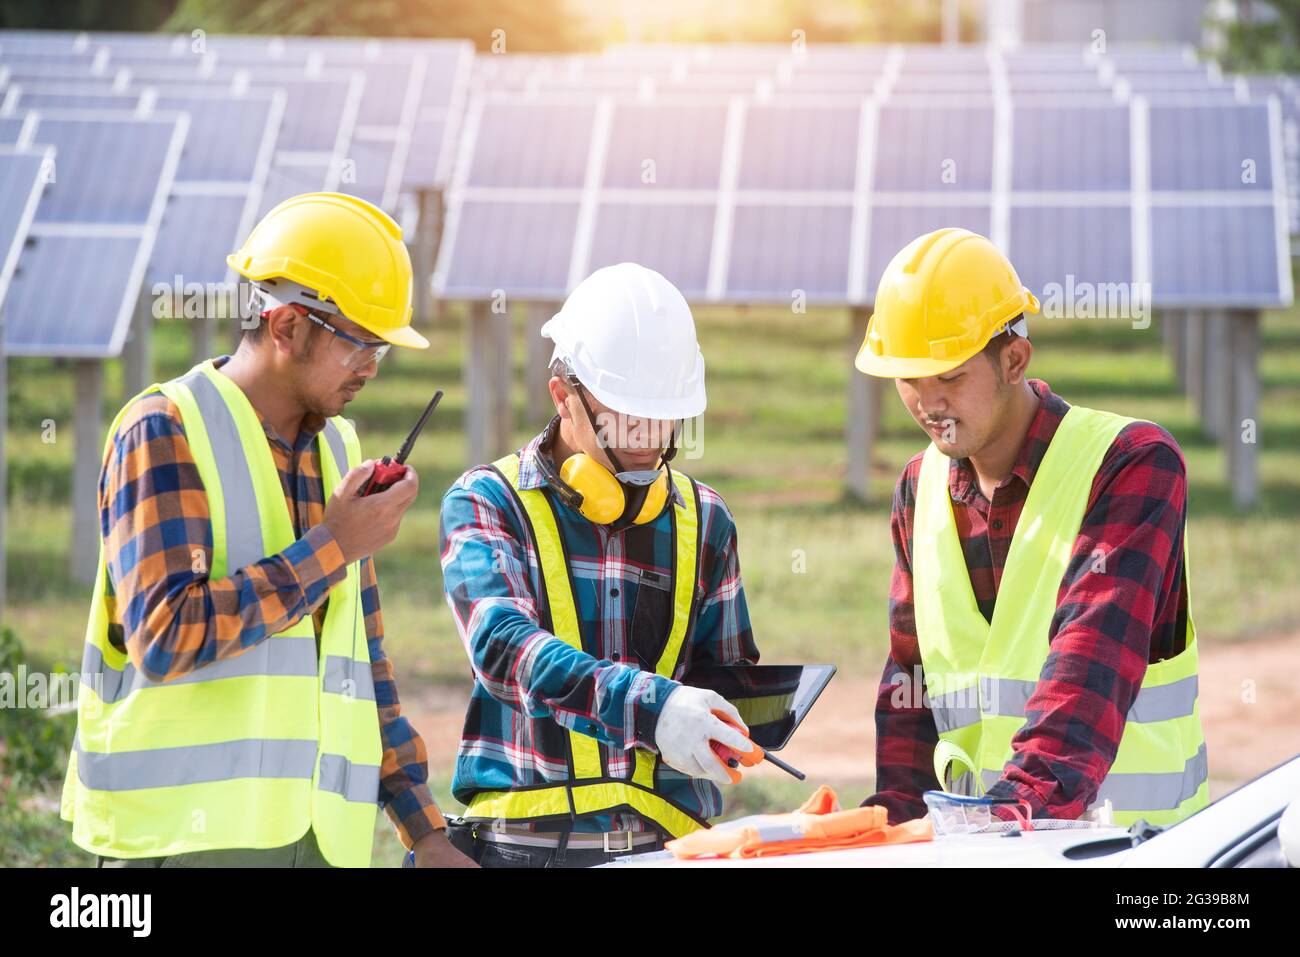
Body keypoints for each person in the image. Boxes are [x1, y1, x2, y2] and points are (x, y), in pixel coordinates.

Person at [62, 192, 473, 867]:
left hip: (314, 844)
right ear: (286, 326)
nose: (371, 366)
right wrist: (332, 546)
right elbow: (166, 634)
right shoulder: (166, 428)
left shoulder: (339, 448)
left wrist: (423, 829)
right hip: (183, 842)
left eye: (382, 347)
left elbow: (361, 659)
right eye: (359, 341)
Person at [855, 227, 1207, 827]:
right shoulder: (919, 487)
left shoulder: (1133, 463)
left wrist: (1010, 817)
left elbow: (1090, 665)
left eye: (950, 376)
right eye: (910, 378)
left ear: (1014, 359)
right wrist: (890, 823)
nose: (927, 402)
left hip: (1133, 856)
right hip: (985, 848)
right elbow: (909, 687)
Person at [438, 262, 760, 867]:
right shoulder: (488, 501)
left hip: (671, 846)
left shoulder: (706, 518)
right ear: (564, 396)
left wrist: (744, 721)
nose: (647, 437)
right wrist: (653, 708)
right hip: (525, 847)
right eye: (627, 414)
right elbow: (504, 649)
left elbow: (727, 677)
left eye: (664, 416)